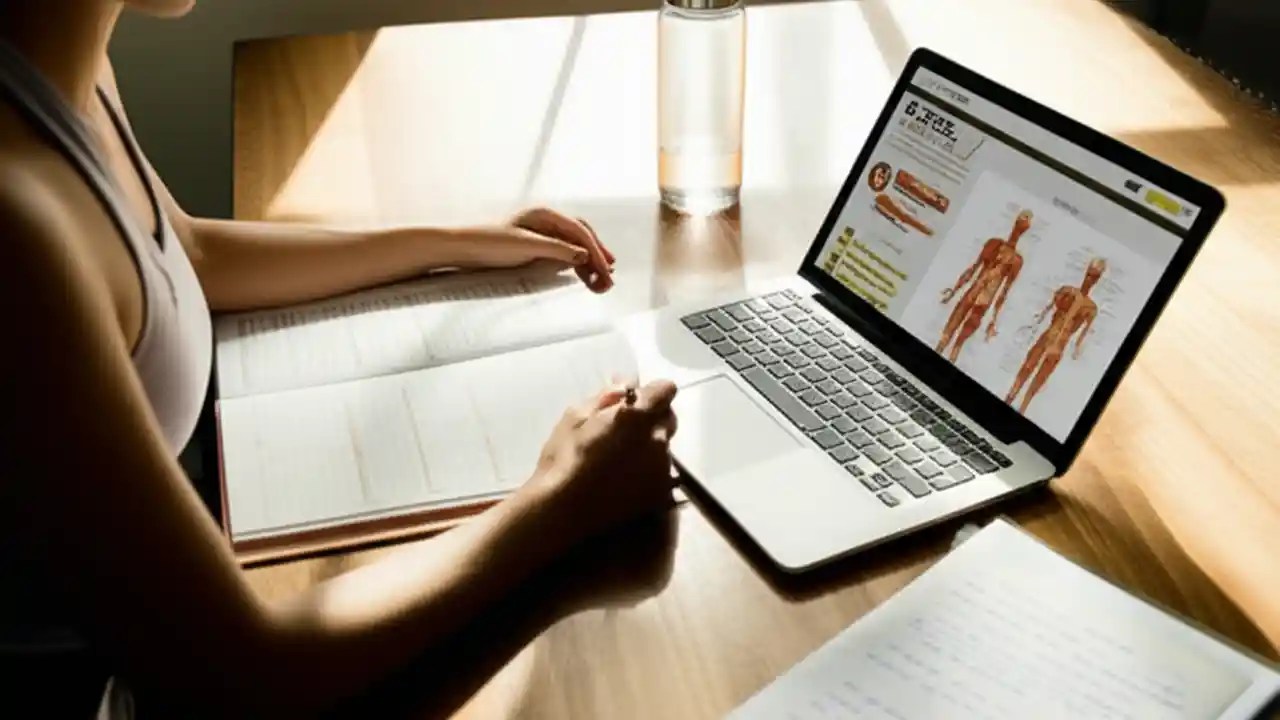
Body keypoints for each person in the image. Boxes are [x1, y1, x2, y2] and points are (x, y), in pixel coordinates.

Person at [0, 0, 679, 716]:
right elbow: (245, 667)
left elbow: (186, 256)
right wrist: (557, 498)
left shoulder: (64, 62)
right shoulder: (18, 227)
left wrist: (456, 244)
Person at [1005, 257, 1105, 413]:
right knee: (1027, 367)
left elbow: (1082, 335)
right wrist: (1035, 322)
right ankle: (1009, 399)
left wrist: (1078, 349)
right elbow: (1046, 310)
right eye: (1089, 274)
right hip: (1048, 336)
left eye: (1095, 277)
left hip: (1059, 345)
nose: (1090, 279)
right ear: (1085, 273)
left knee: (1039, 379)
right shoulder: (1067, 291)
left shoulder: (1091, 308)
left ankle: (1023, 409)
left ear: (1098, 280)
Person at [935, 209, 1032, 363]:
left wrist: (994, 319)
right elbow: (973, 268)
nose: (1022, 222)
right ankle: (940, 349)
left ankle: (952, 356)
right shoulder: (994, 244)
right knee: (947, 334)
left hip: (986, 299)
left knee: (959, 344)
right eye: (1021, 218)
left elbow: (1004, 291)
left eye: (1026, 221)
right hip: (974, 290)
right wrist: (953, 291)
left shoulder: (1016, 261)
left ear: (1027, 228)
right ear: (1015, 221)